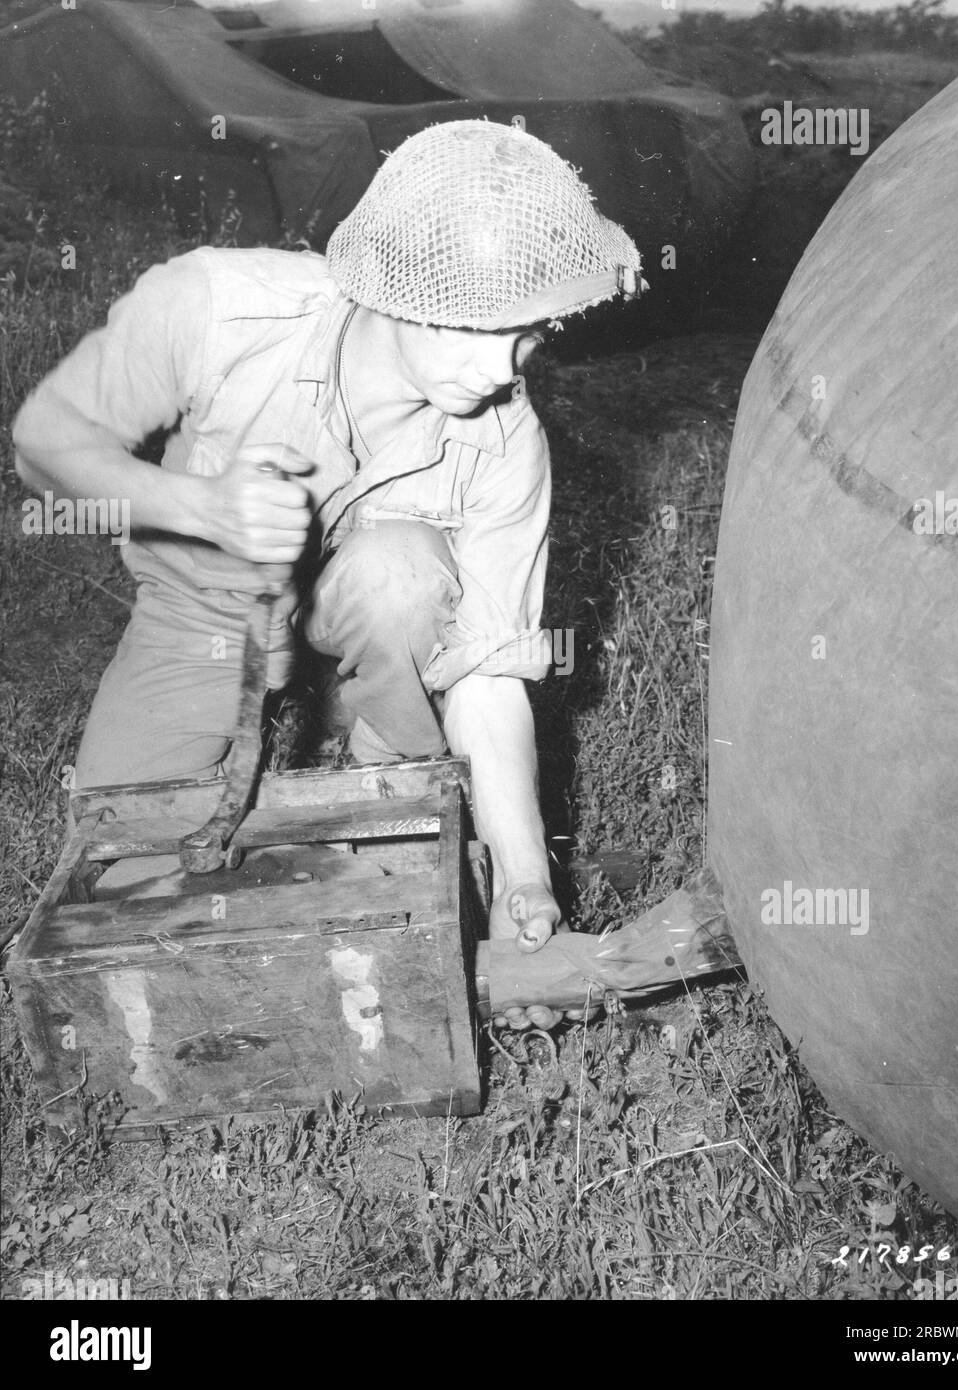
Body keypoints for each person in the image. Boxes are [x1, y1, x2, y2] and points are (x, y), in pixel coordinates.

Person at [13, 119, 645, 1028]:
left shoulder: (507, 440)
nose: (504, 369)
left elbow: (488, 671)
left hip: (377, 621)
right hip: (207, 608)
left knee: (401, 582)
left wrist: (524, 876)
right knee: (123, 893)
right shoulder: (215, 307)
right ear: (391, 293)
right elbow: (46, 445)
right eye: (478, 331)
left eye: (530, 335)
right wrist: (200, 508)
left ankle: (386, 780)